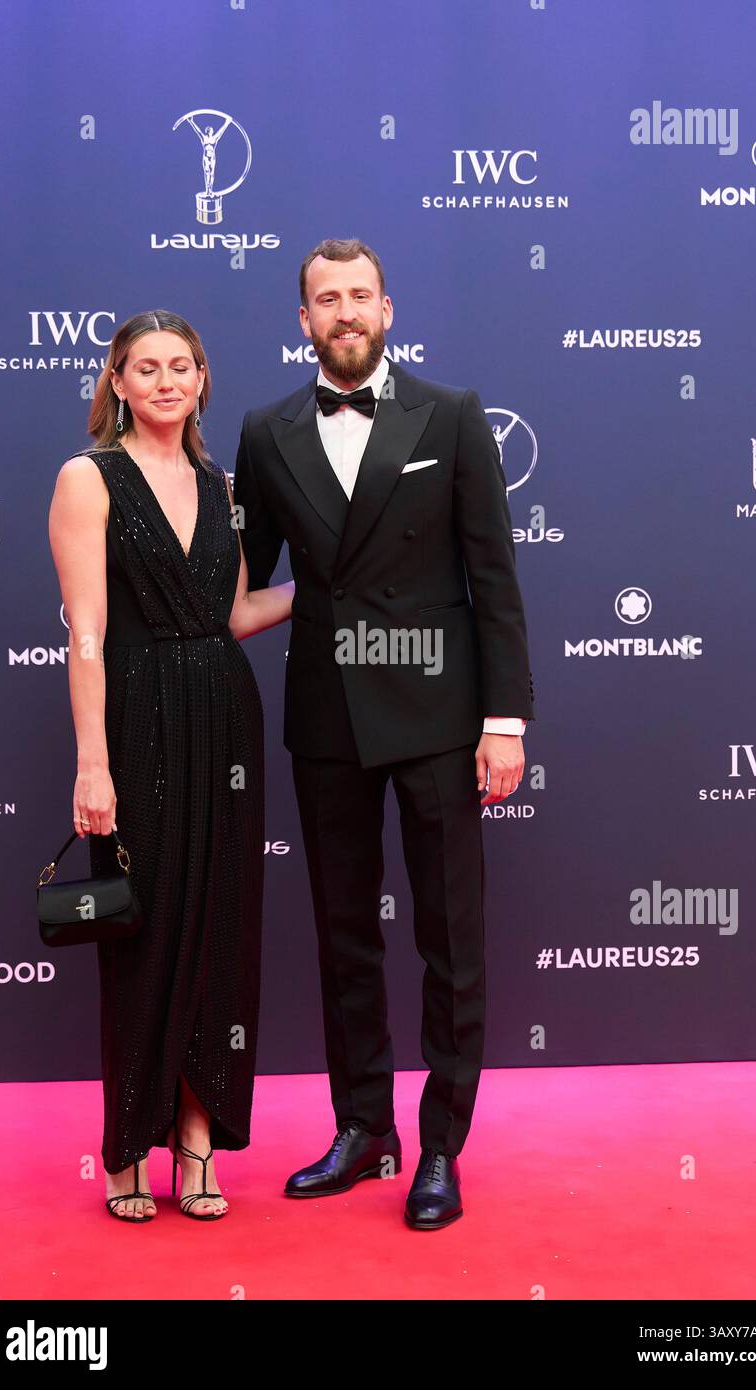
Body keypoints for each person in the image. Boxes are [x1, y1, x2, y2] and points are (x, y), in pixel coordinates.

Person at [234, 240, 533, 1229]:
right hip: (327, 714)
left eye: (359, 295)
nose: (345, 311)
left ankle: (439, 1143)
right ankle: (363, 1128)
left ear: (387, 308)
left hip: (443, 716)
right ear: (305, 319)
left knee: (450, 941)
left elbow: (491, 576)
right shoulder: (265, 429)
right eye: (326, 299)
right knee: (343, 936)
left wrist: (503, 720)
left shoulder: (447, 414)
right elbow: (245, 583)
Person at [48, 310, 293, 1222]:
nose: (163, 381)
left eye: (180, 366)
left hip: (224, 718)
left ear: (202, 380)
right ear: (116, 381)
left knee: (221, 930)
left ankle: (196, 1143)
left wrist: (320, 588)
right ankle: (123, 1149)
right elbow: (85, 634)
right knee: (144, 934)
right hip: (138, 719)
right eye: (143, 367)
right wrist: (92, 762)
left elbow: (230, 615)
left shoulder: (218, 481)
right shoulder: (88, 478)